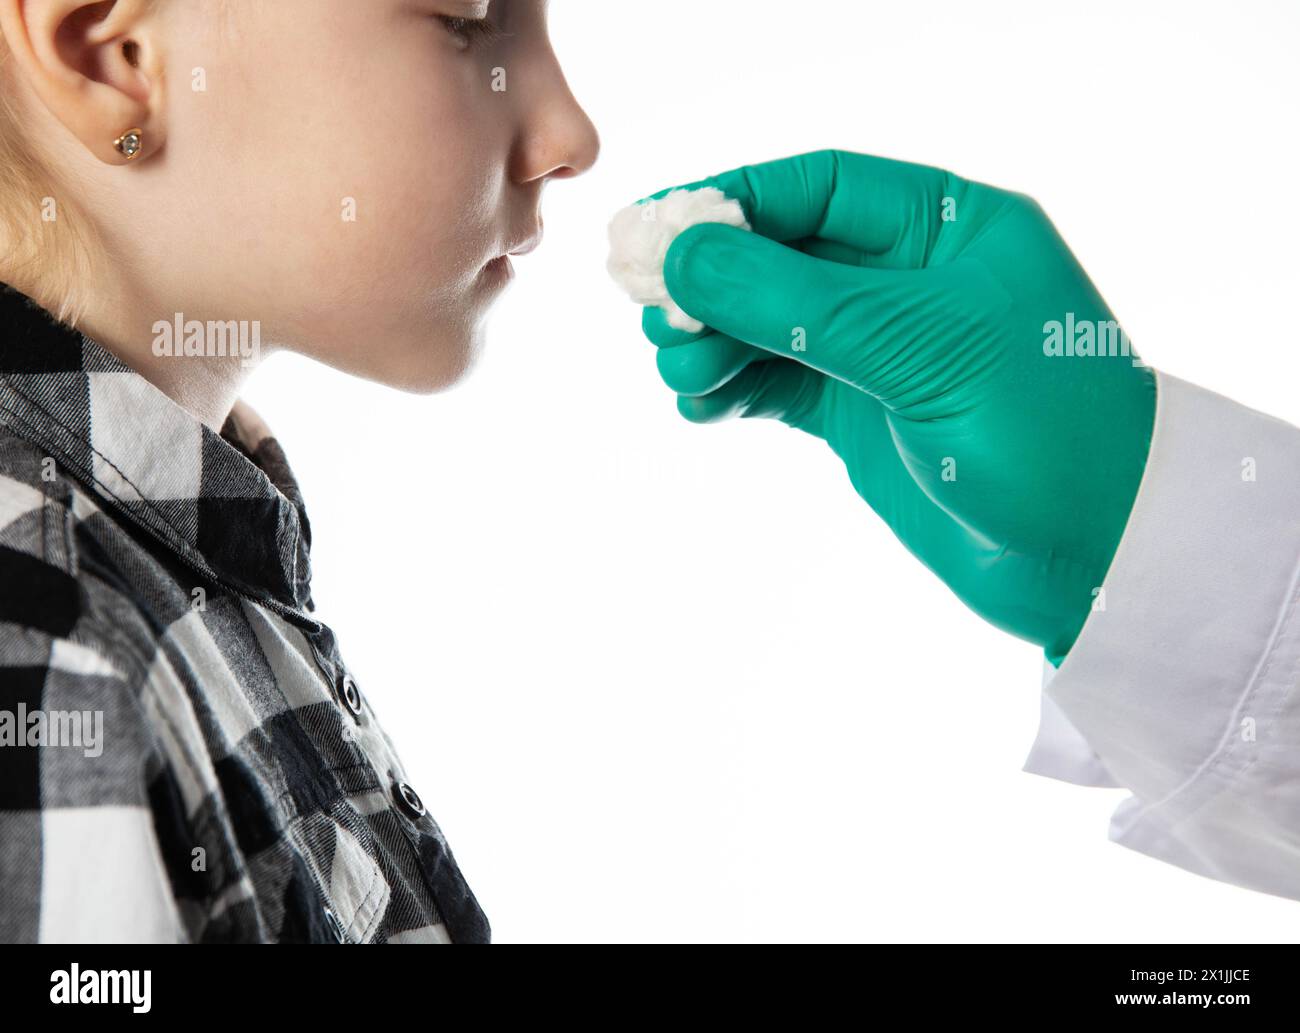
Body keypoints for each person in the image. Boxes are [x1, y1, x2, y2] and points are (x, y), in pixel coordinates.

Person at [0, 0, 597, 943]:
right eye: (467, 19)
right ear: (114, 54)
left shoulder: (174, 557)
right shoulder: (51, 658)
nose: (572, 134)